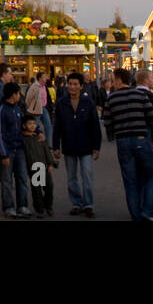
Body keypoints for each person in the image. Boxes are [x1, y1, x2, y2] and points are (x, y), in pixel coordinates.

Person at [103, 67, 153, 221]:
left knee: (130, 180)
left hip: (123, 141)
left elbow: (107, 121)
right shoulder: (139, 94)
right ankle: (148, 212)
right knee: (151, 175)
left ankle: (136, 214)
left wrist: (113, 133)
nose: (112, 83)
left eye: (113, 79)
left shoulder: (112, 98)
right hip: (141, 138)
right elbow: (152, 117)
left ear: (118, 80)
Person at [50, 71, 100, 217]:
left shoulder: (88, 103)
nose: (72, 87)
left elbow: (95, 126)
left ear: (81, 86)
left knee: (87, 175)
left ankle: (88, 204)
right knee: (71, 177)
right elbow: (57, 126)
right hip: (69, 145)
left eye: (75, 84)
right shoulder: (62, 103)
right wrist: (56, 146)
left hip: (86, 145)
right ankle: (76, 203)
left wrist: (96, 147)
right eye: (70, 84)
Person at [0, 81, 32, 218]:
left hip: (19, 148)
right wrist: (3, 153)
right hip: (8, 150)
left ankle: (22, 205)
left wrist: (37, 130)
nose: (19, 96)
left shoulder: (17, 108)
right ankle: (9, 206)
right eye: (18, 93)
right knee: (7, 180)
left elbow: (25, 122)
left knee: (22, 177)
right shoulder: (1, 110)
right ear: (13, 94)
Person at [23, 114, 56, 218]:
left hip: (44, 166)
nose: (32, 126)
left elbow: (46, 151)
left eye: (34, 123)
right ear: (24, 126)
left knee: (49, 187)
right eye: (29, 124)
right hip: (34, 167)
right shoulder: (24, 139)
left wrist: (51, 163)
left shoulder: (39, 137)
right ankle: (39, 209)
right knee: (36, 190)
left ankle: (48, 206)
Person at [25, 70, 52, 155]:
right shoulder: (35, 86)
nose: (46, 79)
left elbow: (47, 97)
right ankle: (34, 145)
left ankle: (48, 145)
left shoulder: (44, 86)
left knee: (48, 125)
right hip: (36, 110)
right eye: (44, 77)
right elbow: (28, 98)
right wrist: (31, 107)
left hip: (43, 108)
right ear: (40, 78)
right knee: (34, 128)